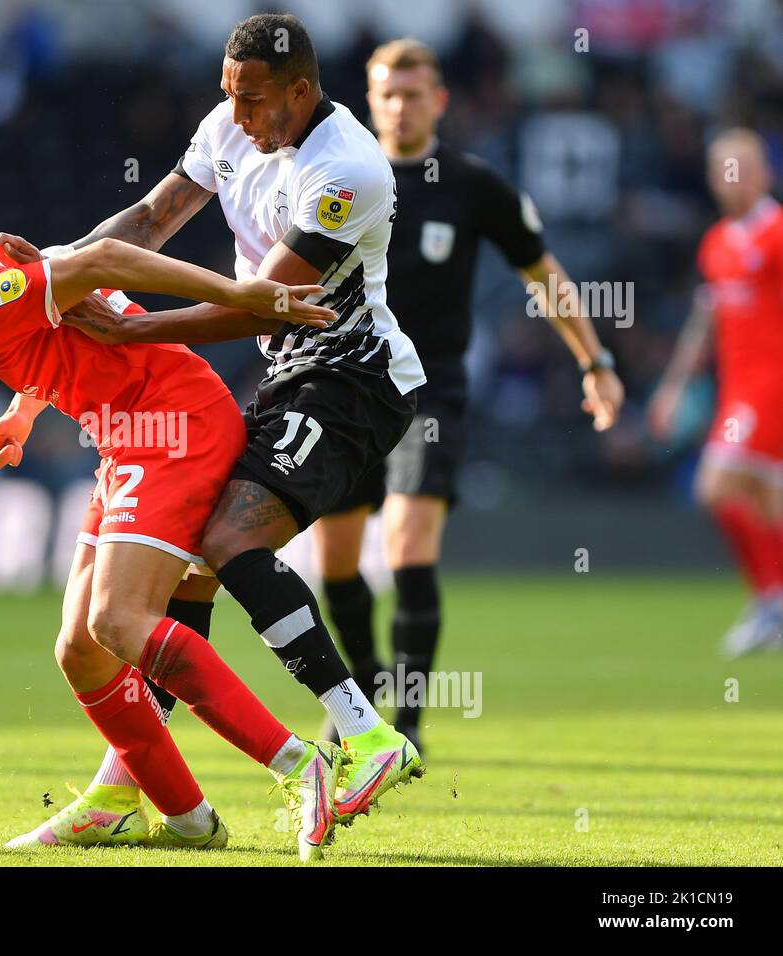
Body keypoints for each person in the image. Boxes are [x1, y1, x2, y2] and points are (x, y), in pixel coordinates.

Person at [0, 13, 426, 848]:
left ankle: (366, 734)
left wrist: (130, 331)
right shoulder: (230, 122)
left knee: (226, 539)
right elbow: (151, 221)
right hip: (292, 377)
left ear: (300, 91)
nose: (239, 114)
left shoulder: (347, 171)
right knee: (189, 563)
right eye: (228, 95)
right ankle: (123, 790)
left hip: (353, 381)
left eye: (255, 100)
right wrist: (53, 275)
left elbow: (253, 301)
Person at [0, 220, 349, 860]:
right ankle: (175, 815)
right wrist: (22, 410)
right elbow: (57, 317)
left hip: (173, 424)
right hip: (128, 435)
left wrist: (249, 297)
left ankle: (298, 763)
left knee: (119, 620)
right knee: (81, 650)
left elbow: (103, 260)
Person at [311, 38, 625, 753]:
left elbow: (543, 273)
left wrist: (595, 361)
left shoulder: (474, 185)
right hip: (345, 388)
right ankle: (361, 701)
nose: (400, 106)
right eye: (388, 93)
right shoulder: (336, 180)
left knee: (409, 545)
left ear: (439, 101)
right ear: (370, 100)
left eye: (414, 93)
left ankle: (411, 725)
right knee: (336, 561)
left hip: (429, 392)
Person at [650, 128, 783, 657]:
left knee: (714, 487)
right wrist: (673, 387)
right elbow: (705, 323)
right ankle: (772, 602)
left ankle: (771, 602)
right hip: (737, 390)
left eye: (742, 167)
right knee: (765, 504)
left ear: (764, 172)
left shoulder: (776, 233)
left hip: (770, 387)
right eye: (722, 169)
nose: (732, 179)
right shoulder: (717, 243)